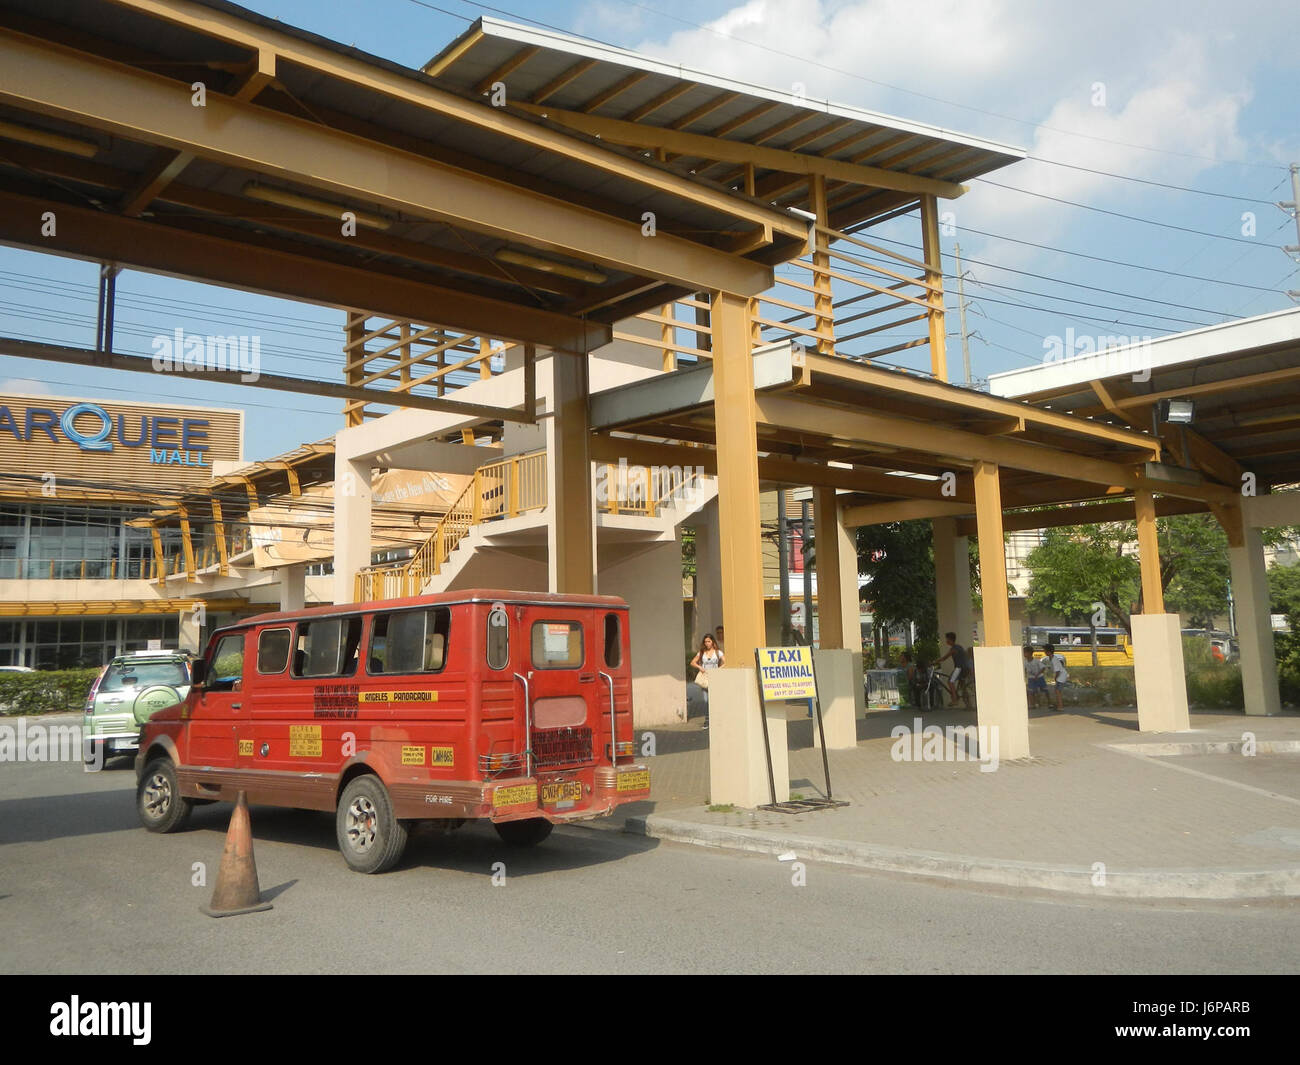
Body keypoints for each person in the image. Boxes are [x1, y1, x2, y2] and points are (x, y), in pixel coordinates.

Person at [690, 634, 724, 730]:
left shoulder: (718, 652)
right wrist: (700, 667)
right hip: (705, 679)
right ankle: (707, 721)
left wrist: (718, 669)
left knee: (714, 700)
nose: (707, 643)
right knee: (706, 701)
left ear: (712, 641)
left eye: (709, 641)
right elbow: (692, 662)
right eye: (705, 642)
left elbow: (726, 662)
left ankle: (715, 720)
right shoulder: (702, 652)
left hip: (715, 679)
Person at [936, 631, 972, 703]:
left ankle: (955, 700)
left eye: (947, 639)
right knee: (962, 685)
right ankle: (968, 704)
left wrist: (934, 662)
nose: (946, 641)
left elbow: (944, 658)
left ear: (950, 639)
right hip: (965, 668)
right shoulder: (959, 647)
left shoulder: (954, 649)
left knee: (950, 682)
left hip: (960, 668)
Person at [1043, 642, 1067, 711]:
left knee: (1057, 691)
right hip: (1061, 675)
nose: (1044, 652)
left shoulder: (1054, 659)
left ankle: (1060, 706)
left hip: (1061, 676)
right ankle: (1059, 705)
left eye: (1045, 651)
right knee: (1057, 691)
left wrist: (1055, 678)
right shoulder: (1052, 658)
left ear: (1048, 651)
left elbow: (1057, 671)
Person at [1023, 644, 1048, 709]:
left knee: (1044, 690)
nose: (1024, 654)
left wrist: (1037, 674)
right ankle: (1032, 705)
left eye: (1025, 652)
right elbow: (1025, 669)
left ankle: (1049, 703)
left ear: (1029, 653)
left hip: (1039, 677)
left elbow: (1043, 668)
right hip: (1031, 678)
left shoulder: (1036, 661)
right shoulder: (1025, 662)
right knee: (1031, 692)